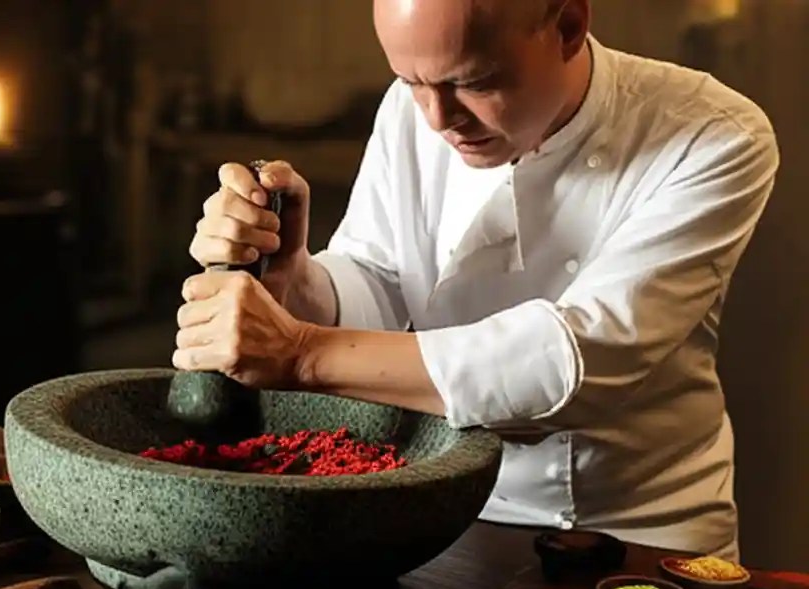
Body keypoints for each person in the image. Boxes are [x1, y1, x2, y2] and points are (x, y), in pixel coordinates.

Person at [173, 0, 779, 560]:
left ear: (568, 26)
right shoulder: (412, 112)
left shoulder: (712, 135)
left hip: (643, 530)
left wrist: (299, 353)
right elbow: (381, 281)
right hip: (446, 507)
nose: (439, 118)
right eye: (413, 82)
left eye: (475, 82)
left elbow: (582, 356)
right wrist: (296, 281)